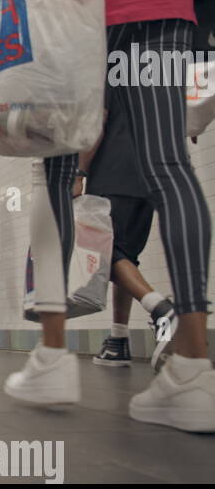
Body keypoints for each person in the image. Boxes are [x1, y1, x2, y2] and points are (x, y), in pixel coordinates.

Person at [0, 0, 213, 432]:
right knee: (169, 165)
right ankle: (193, 368)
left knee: (54, 174)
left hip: (78, 5)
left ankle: (52, 359)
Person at [75, 90, 176, 370]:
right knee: (124, 257)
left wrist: (79, 172)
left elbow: (98, 121)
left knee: (106, 255)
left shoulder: (112, 61)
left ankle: (162, 310)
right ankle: (118, 342)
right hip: (153, 173)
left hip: (114, 170)